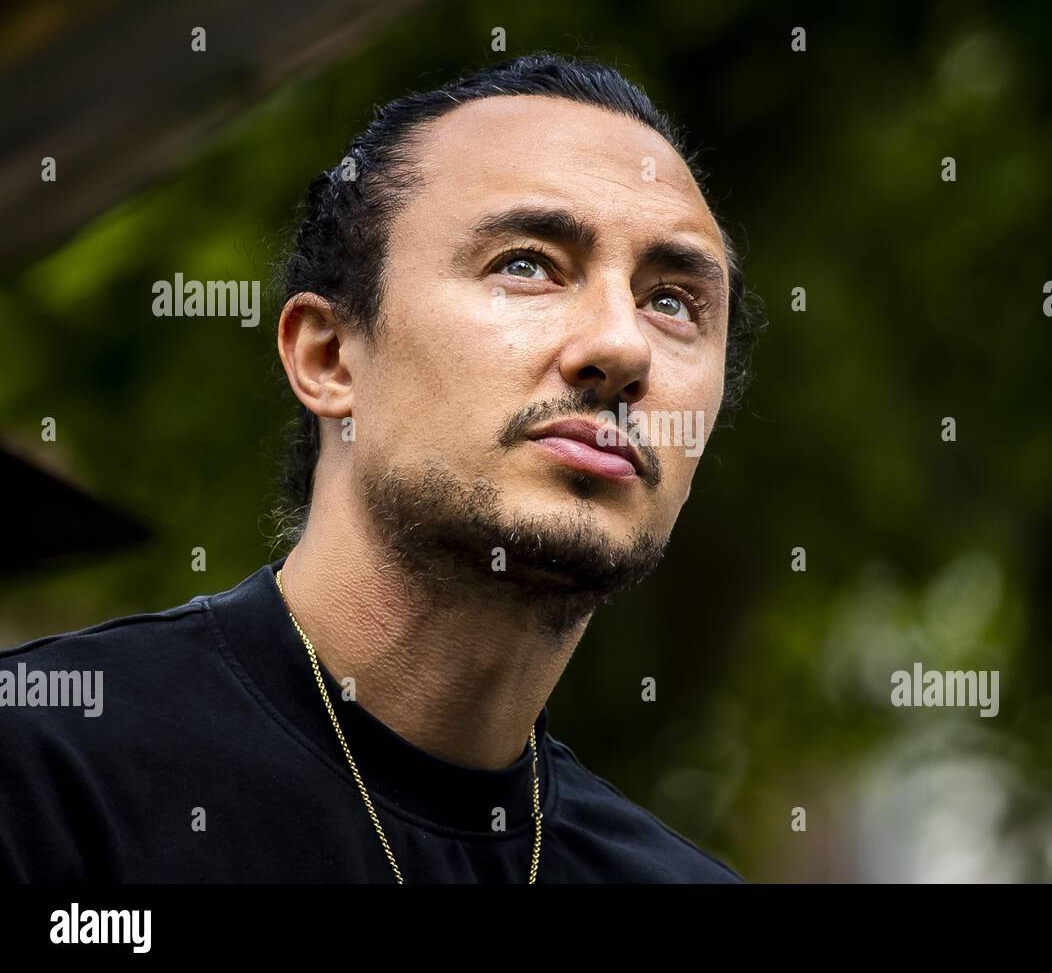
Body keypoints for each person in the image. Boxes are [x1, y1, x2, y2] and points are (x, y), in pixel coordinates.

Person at [0, 52, 763, 883]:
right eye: (527, 264)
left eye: (672, 302)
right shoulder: (43, 780)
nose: (621, 346)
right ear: (329, 357)